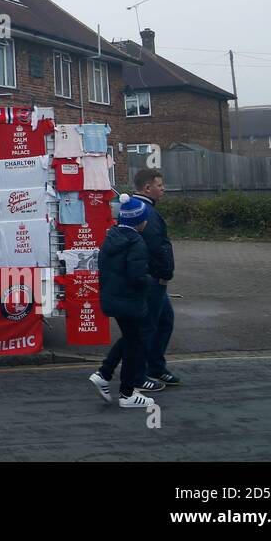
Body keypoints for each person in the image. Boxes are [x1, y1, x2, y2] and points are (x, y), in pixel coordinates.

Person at [90, 195, 161, 408]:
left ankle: (104, 373)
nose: (146, 222)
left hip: (113, 298)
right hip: (129, 300)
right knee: (135, 343)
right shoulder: (137, 242)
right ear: (138, 221)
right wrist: (150, 281)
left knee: (131, 338)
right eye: (144, 218)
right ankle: (127, 393)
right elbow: (137, 276)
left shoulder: (112, 236)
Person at [133, 168, 179, 386]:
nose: (164, 189)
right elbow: (156, 248)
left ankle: (155, 367)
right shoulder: (146, 212)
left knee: (164, 321)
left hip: (152, 278)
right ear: (147, 187)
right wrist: (164, 274)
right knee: (148, 327)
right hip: (152, 280)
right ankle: (139, 375)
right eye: (160, 185)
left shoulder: (141, 208)